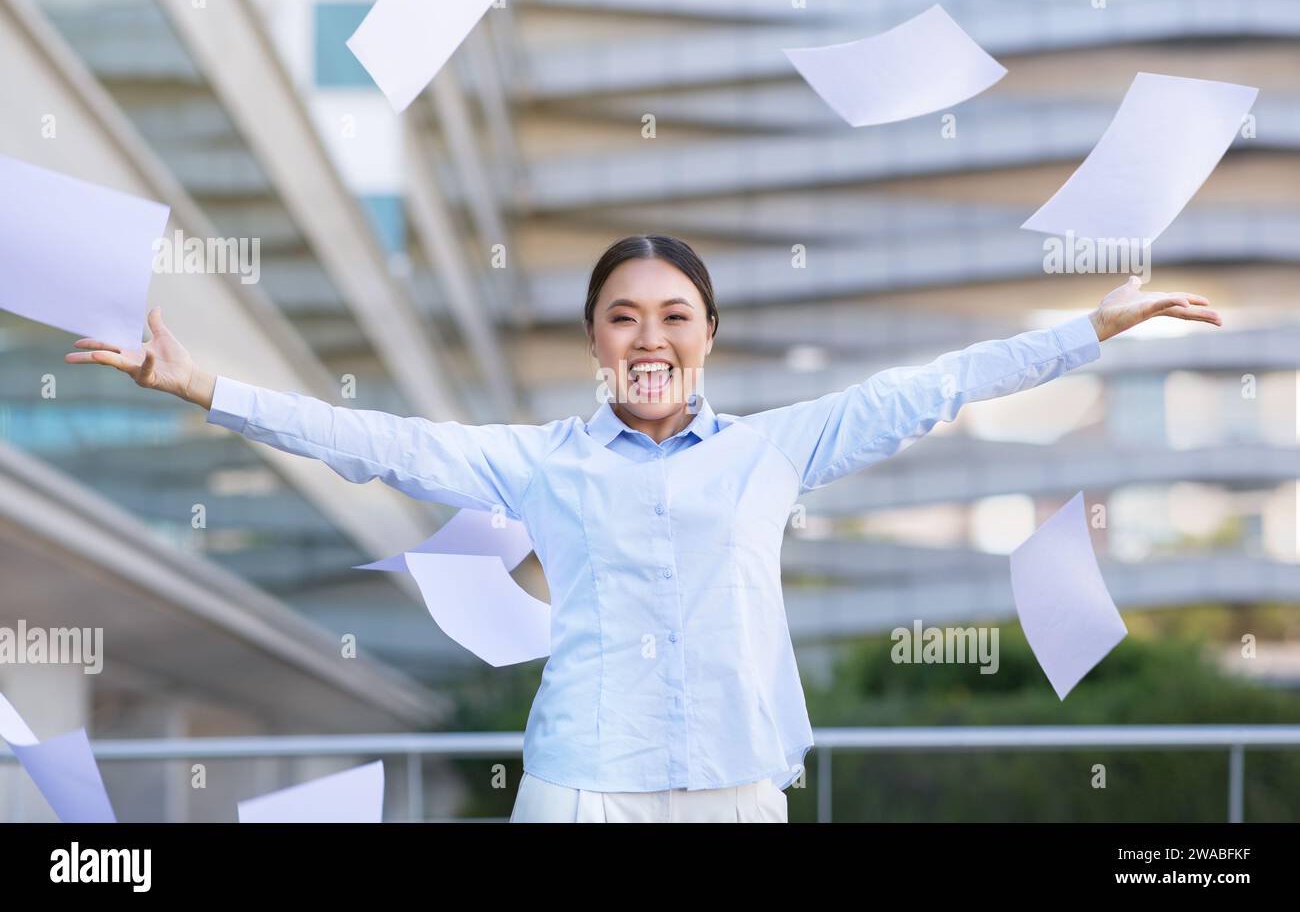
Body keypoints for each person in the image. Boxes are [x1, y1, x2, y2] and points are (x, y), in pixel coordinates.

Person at [67, 233, 1222, 822]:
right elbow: (371, 439)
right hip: (583, 788)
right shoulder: (539, 462)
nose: (649, 336)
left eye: (674, 315)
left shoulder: (774, 447)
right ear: (594, 340)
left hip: (735, 783)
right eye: (624, 317)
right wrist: (205, 385)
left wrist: (1091, 327)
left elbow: (936, 383)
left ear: (708, 334)